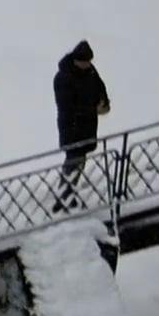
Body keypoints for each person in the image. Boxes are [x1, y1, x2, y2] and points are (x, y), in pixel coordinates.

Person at [53, 42, 112, 205]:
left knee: (80, 161)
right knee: (73, 160)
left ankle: (67, 194)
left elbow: (100, 88)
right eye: (84, 62)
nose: (87, 65)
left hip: (87, 126)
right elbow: (67, 106)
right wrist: (93, 109)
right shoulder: (63, 77)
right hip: (71, 127)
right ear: (76, 60)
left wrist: (104, 102)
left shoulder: (91, 72)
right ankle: (64, 197)